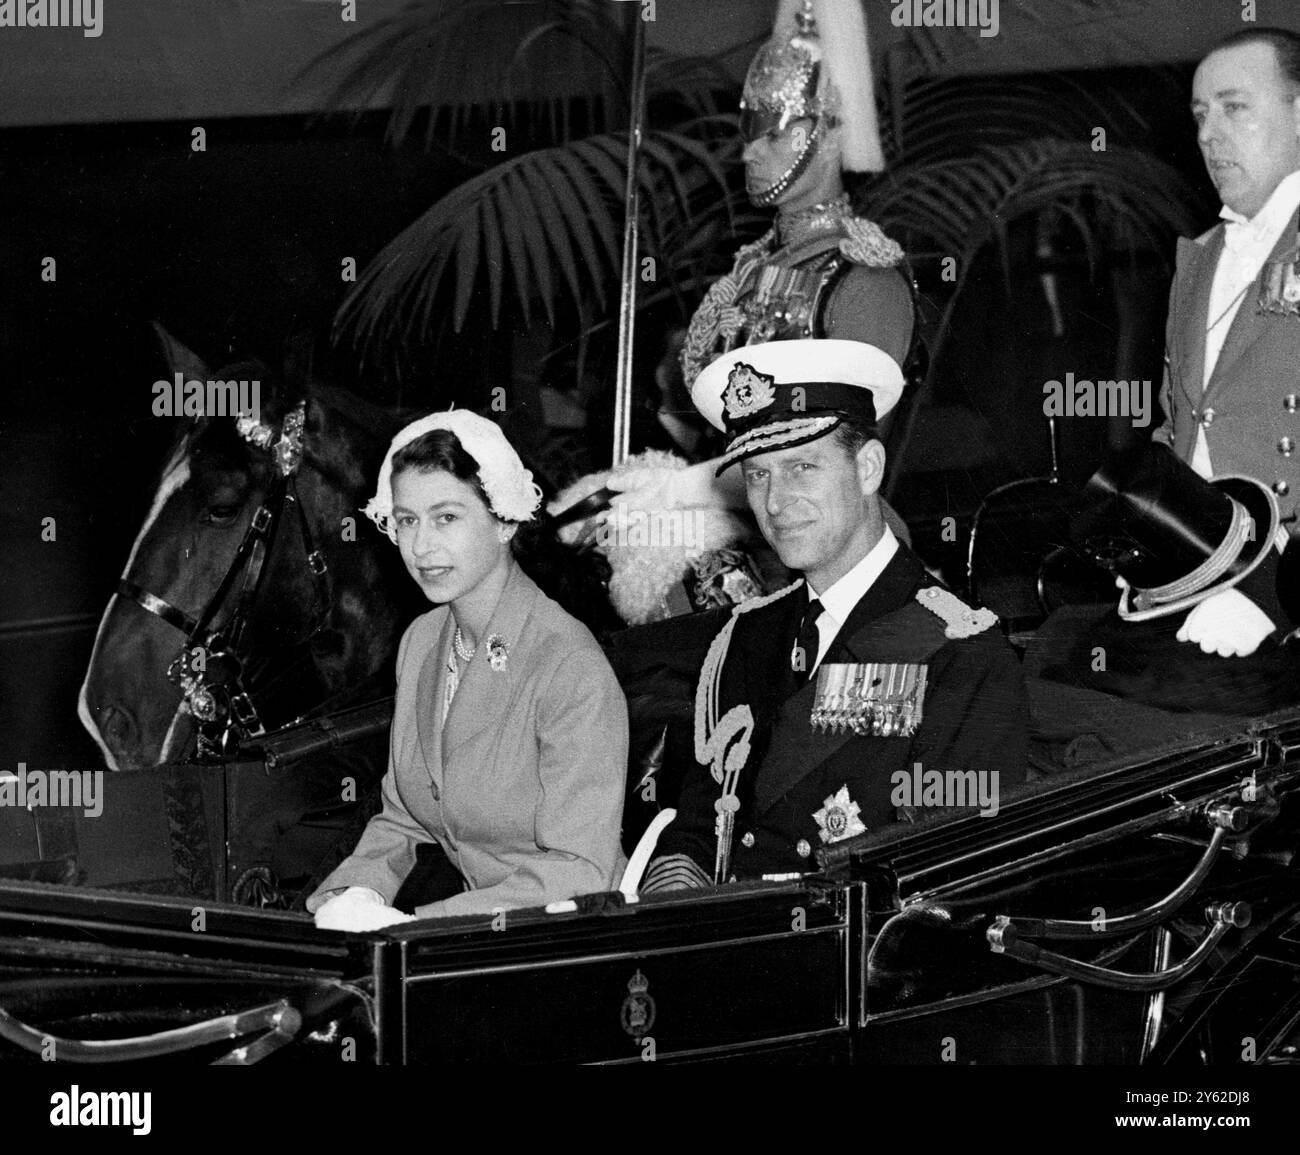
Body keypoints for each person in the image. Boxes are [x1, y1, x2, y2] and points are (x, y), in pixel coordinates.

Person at [641, 339, 1028, 890]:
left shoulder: (961, 655)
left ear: (868, 467)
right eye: (758, 474)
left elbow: (953, 884)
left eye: (802, 467)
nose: (775, 502)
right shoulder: (749, 635)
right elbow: (702, 825)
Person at [589, 0, 916, 558]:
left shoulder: (863, 279)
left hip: (832, 545)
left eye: (772, 133)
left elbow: (831, 464)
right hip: (745, 535)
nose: (748, 151)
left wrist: (681, 491)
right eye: (749, 130)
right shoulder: (749, 269)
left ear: (829, 132)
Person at [309, 411, 628, 930]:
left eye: (447, 518)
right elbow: (404, 816)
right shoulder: (423, 641)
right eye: (407, 520)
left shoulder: (568, 664)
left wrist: (415, 926)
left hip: (561, 939)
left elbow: (581, 871)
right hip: (470, 934)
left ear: (503, 519)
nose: (420, 546)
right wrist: (356, 894)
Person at [1154, 27, 1300, 658]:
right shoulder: (1200, 259)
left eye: (1235, 108)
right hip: (1197, 578)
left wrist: (1271, 594)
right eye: (1200, 114)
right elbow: (1175, 428)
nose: (1208, 134)